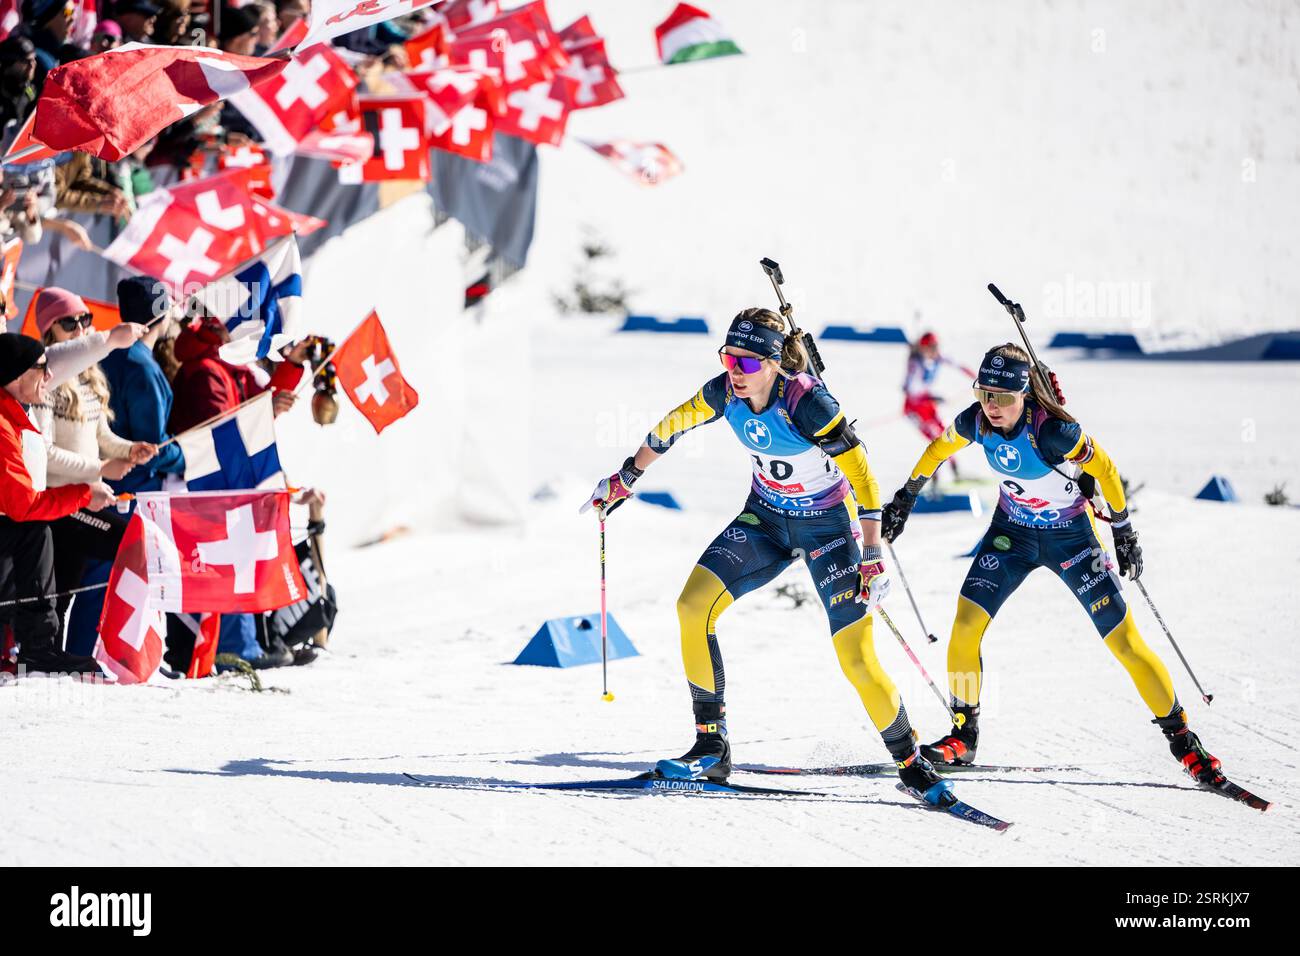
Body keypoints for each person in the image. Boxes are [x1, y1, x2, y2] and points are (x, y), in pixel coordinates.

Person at [580, 308, 951, 801]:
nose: (736, 370)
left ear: (775, 363)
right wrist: (626, 478)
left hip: (828, 531)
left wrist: (871, 551)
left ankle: (910, 761)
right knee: (692, 607)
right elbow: (672, 426)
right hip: (765, 521)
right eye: (729, 357)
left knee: (856, 656)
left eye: (750, 362)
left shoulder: (808, 403)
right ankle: (711, 749)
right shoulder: (723, 392)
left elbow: (863, 475)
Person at [880, 343, 1225, 786]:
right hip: (1012, 536)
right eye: (984, 393)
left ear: (1025, 394)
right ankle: (964, 736)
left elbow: (1106, 468)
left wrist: (1123, 531)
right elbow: (936, 450)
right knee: (965, 625)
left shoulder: (1054, 431)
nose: (992, 405)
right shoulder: (975, 420)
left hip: (1072, 540)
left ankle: (1185, 743)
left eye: (1003, 397)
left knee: (1125, 643)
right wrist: (905, 499)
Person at [30, 288, 156, 641]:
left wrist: (130, 450)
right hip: (57, 500)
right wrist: (98, 469)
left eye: (85, 320)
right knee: (120, 545)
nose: (81, 329)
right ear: (49, 331)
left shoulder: (89, 376)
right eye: (69, 323)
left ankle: (60, 653)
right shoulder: (45, 377)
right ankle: (55, 653)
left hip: (83, 495)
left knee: (65, 589)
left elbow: (102, 437)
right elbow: (45, 455)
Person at [0, 332, 124, 675]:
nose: (50, 375)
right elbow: (22, 506)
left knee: (41, 535)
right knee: (34, 531)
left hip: (40, 511)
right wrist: (85, 492)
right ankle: (40, 649)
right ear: (17, 374)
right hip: (32, 515)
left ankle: (42, 646)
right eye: (42, 367)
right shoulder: (3, 422)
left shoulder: (15, 411)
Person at [902, 331, 973, 479]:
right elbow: (912, 389)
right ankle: (934, 475)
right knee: (934, 439)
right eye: (932, 347)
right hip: (914, 407)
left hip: (927, 403)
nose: (936, 350)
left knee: (944, 434)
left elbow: (958, 365)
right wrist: (933, 398)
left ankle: (954, 469)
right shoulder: (916, 363)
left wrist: (977, 378)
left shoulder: (937, 358)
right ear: (923, 348)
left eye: (936, 346)